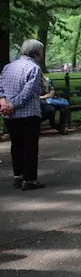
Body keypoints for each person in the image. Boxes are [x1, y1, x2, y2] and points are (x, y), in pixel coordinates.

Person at [0, 39, 46, 190]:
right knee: (30, 147)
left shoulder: (8, 67)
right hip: (29, 113)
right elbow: (28, 92)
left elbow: (1, 88)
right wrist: (12, 104)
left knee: (16, 145)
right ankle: (30, 179)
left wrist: (4, 103)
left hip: (10, 115)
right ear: (37, 52)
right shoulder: (34, 68)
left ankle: (17, 176)